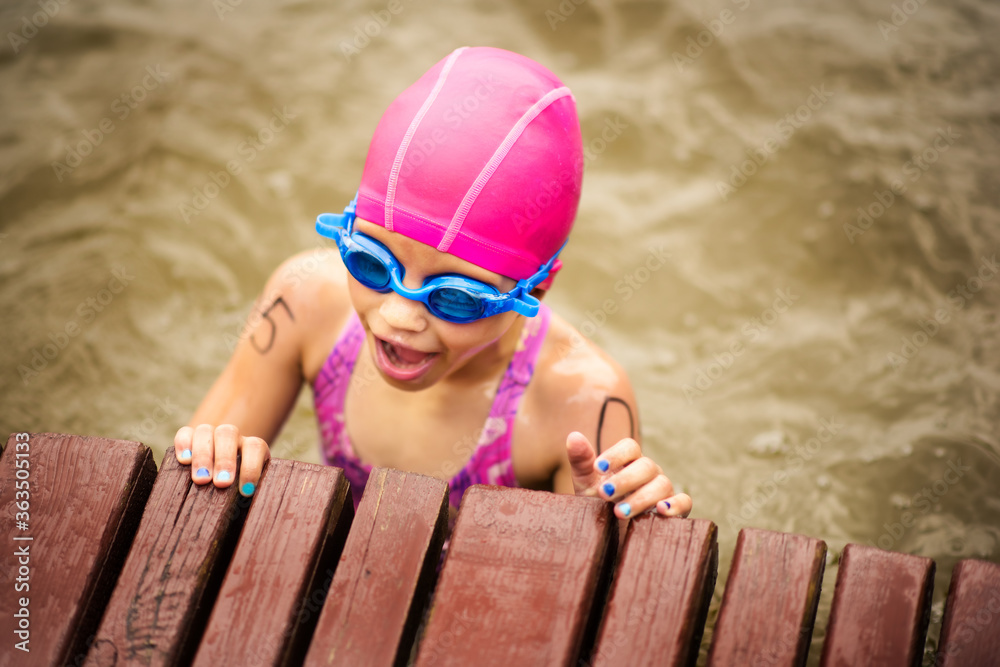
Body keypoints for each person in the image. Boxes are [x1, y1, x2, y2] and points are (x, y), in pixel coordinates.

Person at [173, 46, 692, 524]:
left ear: (533, 291)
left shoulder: (580, 400)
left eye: (455, 297)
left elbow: (590, 604)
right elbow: (191, 487)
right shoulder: (306, 299)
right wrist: (216, 450)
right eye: (371, 262)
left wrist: (613, 530)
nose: (398, 315)